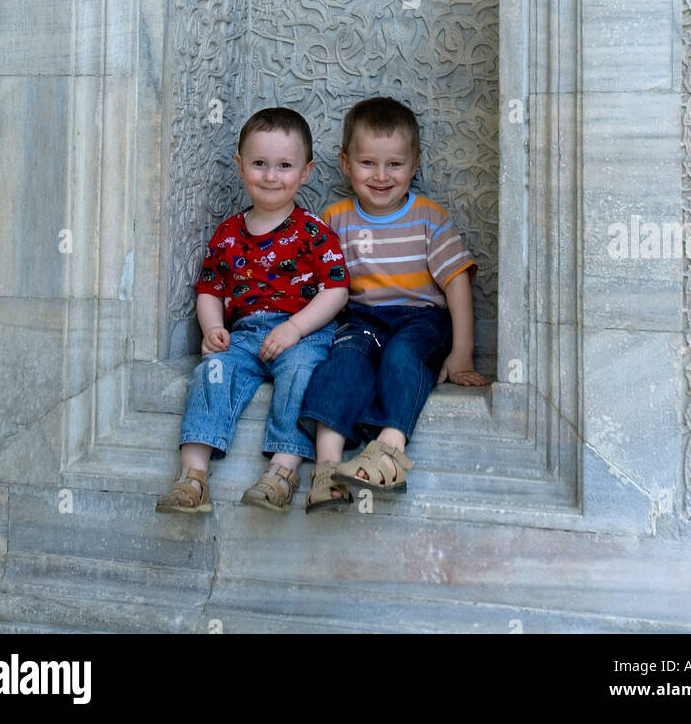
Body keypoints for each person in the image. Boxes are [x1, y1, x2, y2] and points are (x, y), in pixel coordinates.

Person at [155, 107, 349, 515]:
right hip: (242, 335)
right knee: (211, 371)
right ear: (241, 166)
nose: (271, 176)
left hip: (304, 333)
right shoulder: (228, 234)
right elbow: (209, 288)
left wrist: (296, 329)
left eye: (284, 166)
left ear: (306, 171)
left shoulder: (313, 231)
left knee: (299, 375)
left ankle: (282, 472)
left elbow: (336, 290)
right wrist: (211, 328)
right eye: (259, 164)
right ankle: (193, 477)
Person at [299, 96, 488, 512]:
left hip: (421, 321)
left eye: (395, 164)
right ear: (346, 164)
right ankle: (327, 469)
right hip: (362, 319)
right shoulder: (334, 219)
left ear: (414, 165)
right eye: (368, 163)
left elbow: (457, 284)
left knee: (402, 357)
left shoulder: (428, 218)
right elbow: (316, 286)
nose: (381, 176)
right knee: (343, 361)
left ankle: (389, 449)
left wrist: (460, 354)